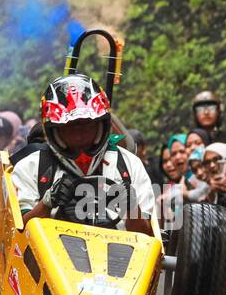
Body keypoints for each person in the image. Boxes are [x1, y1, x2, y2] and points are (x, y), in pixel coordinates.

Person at [13, 72, 154, 235]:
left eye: (87, 125)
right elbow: (18, 235)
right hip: (47, 257)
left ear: (101, 125)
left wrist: (131, 207)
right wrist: (47, 202)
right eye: (69, 128)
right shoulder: (30, 167)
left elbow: (148, 238)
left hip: (121, 257)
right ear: (54, 131)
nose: (79, 136)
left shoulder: (130, 165)